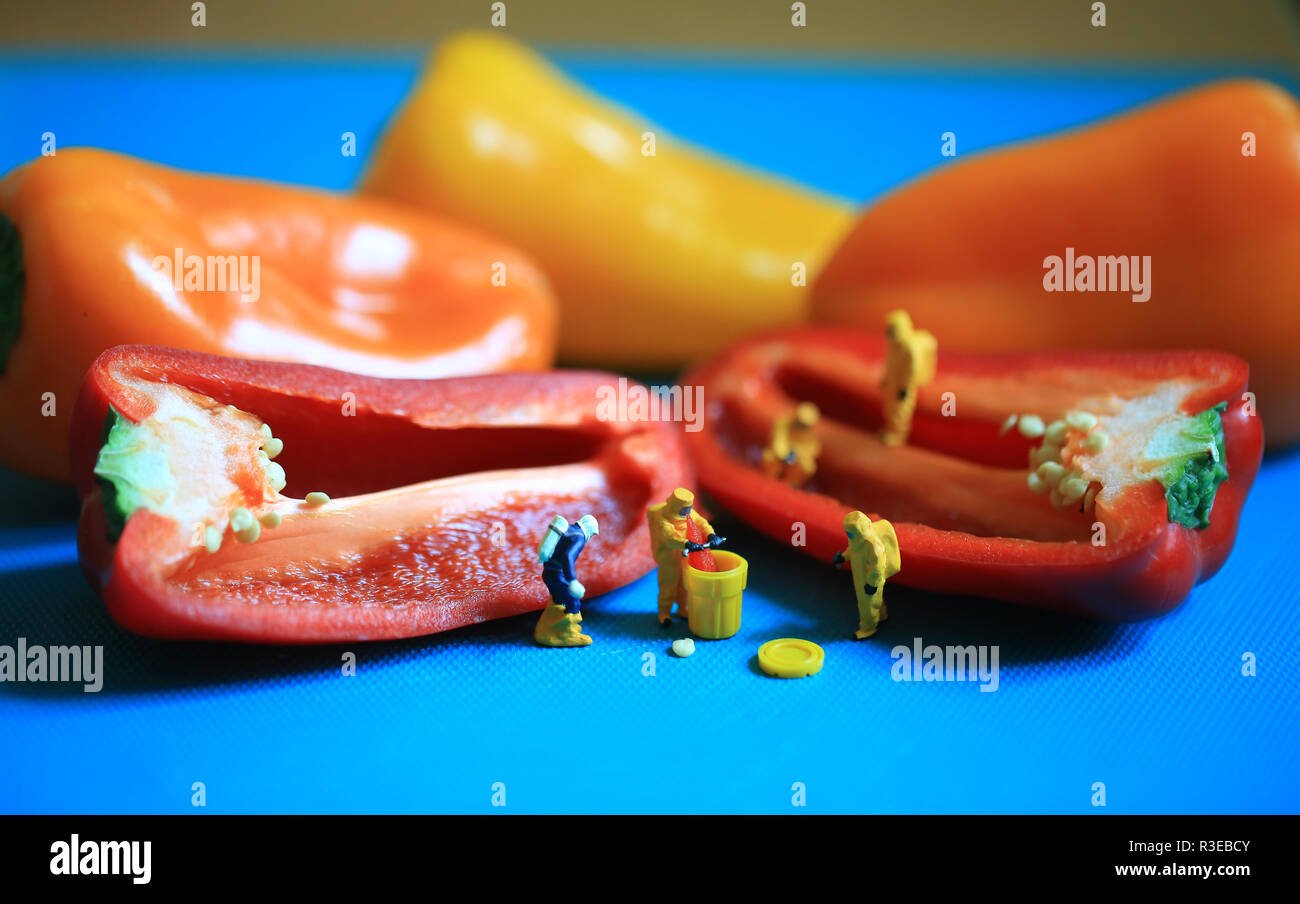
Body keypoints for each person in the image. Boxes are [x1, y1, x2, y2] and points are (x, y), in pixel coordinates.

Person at [646, 488, 720, 625]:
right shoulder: (663, 518)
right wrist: (687, 543)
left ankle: (682, 608)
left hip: (685, 557)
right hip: (668, 558)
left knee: (684, 584)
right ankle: (664, 613)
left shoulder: (689, 513)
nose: (686, 513)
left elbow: (701, 523)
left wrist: (711, 534)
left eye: (687, 509)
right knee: (668, 585)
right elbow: (668, 538)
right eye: (684, 510)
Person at [534, 514, 599, 647]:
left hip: (548, 573)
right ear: (589, 530)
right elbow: (568, 556)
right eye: (592, 535)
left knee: (558, 600)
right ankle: (566, 633)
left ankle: (550, 628)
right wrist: (573, 580)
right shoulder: (579, 537)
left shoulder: (567, 530)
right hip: (557, 575)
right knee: (573, 601)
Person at [833, 510, 900, 639]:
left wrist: (872, 584)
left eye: (851, 533)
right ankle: (881, 614)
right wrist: (843, 557)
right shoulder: (858, 541)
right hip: (861, 576)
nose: (849, 536)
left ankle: (868, 628)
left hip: (868, 580)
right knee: (874, 600)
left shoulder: (872, 546)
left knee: (866, 605)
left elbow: (877, 568)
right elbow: (853, 549)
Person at [880, 309, 936, 446]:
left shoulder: (909, 349)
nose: (889, 332)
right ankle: (890, 429)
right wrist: (886, 379)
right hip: (894, 382)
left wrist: (904, 388)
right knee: (890, 407)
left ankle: (898, 435)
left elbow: (911, 371)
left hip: (903, 386)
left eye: (892, 329)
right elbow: (890, 364)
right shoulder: (893, 346)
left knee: (901, 410)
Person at [761, 401, 821, 486]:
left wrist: (798, 455)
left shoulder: (810, 435)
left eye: (805, 425)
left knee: (808, 467)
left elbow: (812, 449)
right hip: (780, 454)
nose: (802, 426)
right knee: (769, 458)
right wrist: (785, 454)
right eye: (800, 422)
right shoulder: (782, 423)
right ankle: (768, 480)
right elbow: (778, 440)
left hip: (796, 458)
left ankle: (792, 484)